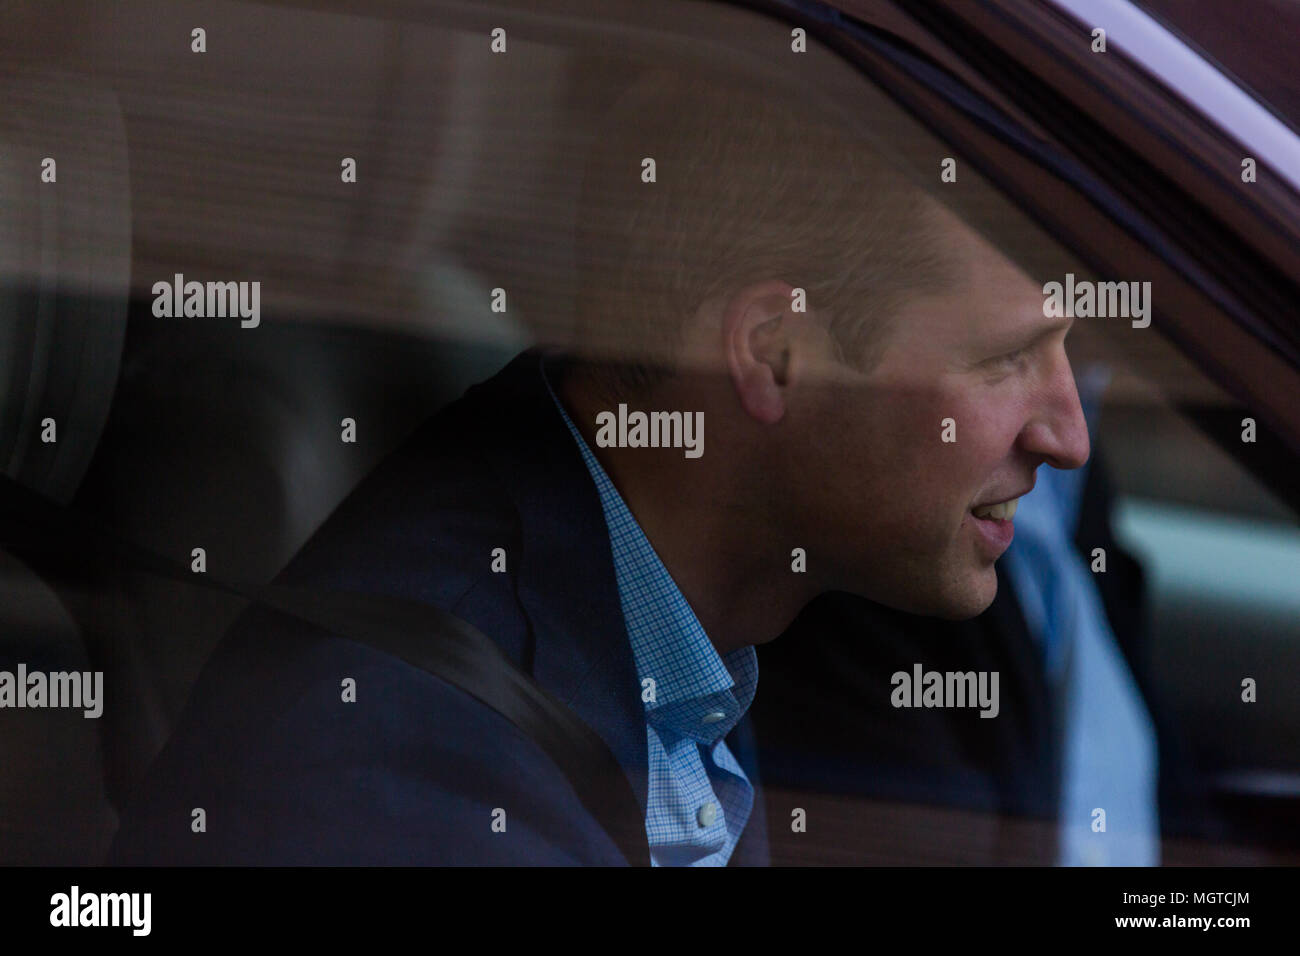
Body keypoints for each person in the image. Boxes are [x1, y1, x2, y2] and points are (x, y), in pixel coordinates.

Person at [108, 69, 1089, 865]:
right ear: (775, 354)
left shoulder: (668, 622)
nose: (1068, 434)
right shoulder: (414, 769)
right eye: (1007, 357)